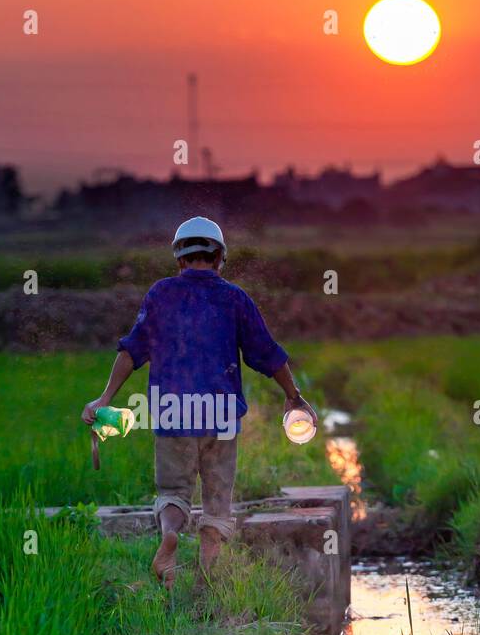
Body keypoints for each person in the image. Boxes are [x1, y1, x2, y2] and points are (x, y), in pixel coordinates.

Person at [81, 217, 317, 589]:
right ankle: (210, 577)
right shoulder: (234, 298)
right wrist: (294, 395)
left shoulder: (160, 294)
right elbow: (267, 354)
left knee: (174, 492)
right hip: (220, 415)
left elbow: (132, 350)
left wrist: (104, 398)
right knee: (217, 500)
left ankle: (171, 535)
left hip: (172, 413)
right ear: (220, 257)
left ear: (179, 258)